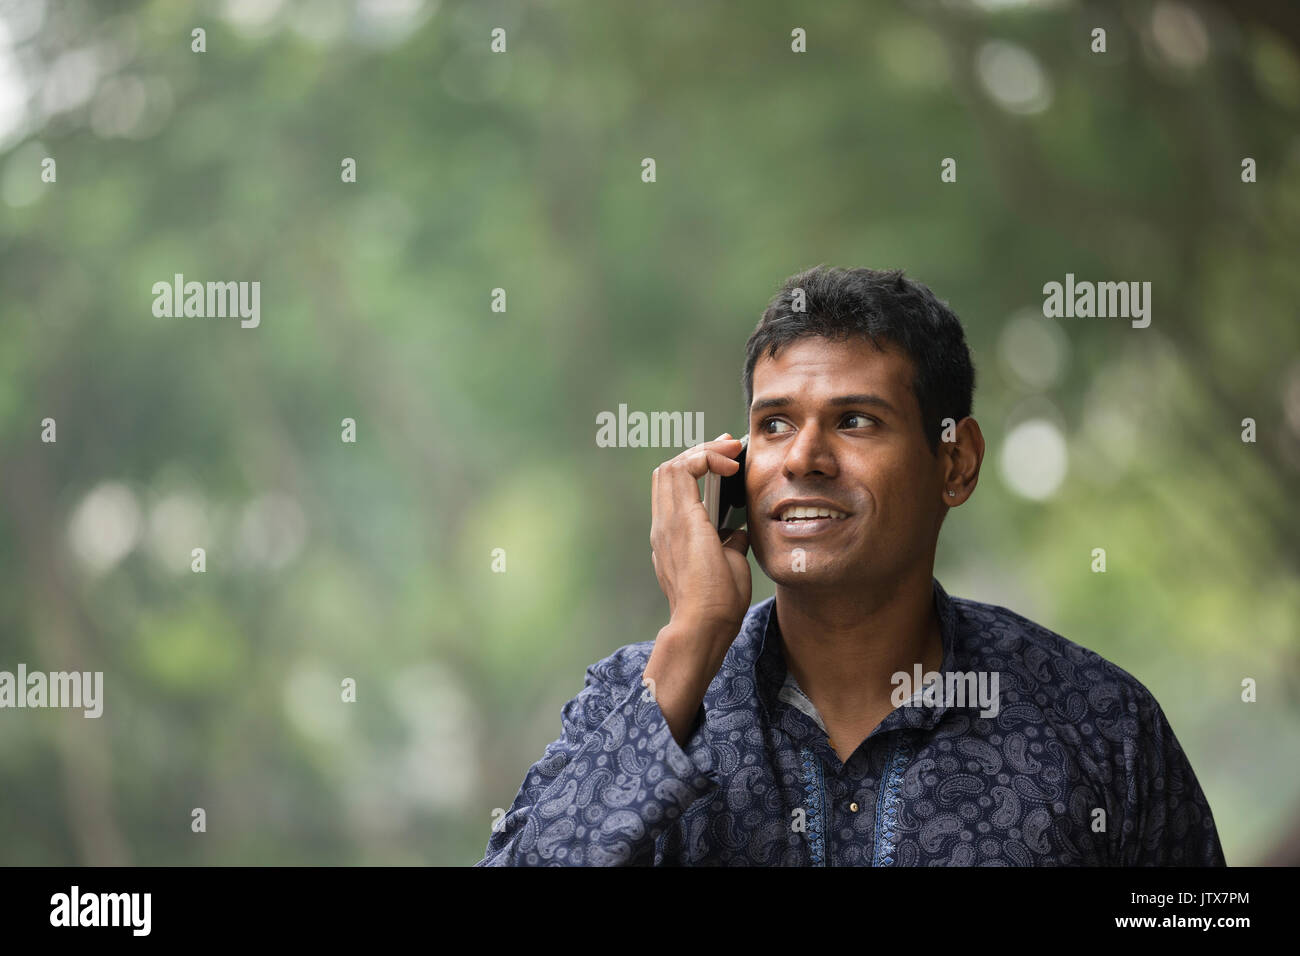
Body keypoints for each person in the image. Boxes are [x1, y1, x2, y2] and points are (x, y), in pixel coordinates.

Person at [475, 265, 1226, 866]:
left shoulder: (1098, 724)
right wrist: (695, 637)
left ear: (955, 463)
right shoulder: (635, 701)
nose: (803, 457)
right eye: (774, 425)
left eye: (855, 420)